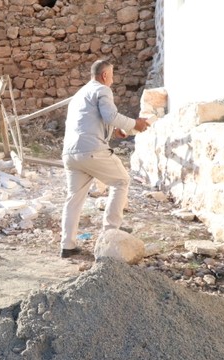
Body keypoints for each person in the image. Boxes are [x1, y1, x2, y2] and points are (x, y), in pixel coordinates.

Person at [60, 60, 150, 258]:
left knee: (73, 199)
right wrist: (135, 124)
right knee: (121, 181)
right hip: (92, 151)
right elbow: (110, 115)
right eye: (112, 75)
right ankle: (110, 235)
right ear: (104, 76)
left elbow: (89, 121)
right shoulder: (102, 90)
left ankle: (67, 245)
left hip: (70, 153)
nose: (113, 79)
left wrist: (115, 130)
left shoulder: (78, 95)